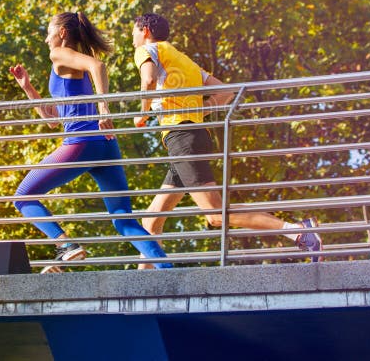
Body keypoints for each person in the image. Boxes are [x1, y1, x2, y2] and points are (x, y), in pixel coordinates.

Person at [131, 13, 323, 267]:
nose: (131, 38)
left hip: (181, 138)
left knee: (215, 215)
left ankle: (298, 231)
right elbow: (226, 91)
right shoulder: (184, 60)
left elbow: (148, 80)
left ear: (144, 30)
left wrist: (142, 114)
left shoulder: (148, 50)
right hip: (192, 135)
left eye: (133, 31)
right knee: (151, 221)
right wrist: (199, 110)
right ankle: (145, 284)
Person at [10, 12, 172, 273]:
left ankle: (65, 245)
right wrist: (28, 87)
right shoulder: (69, 65)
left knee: (23, 196)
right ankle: (167, 269)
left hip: (81, 143)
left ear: (62, 33)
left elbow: (99, 66)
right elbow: (53, 119)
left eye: (48, 31)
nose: (45, 39)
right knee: (122, 218)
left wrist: (104, 109)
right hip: (105, 145)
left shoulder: (59, 55)